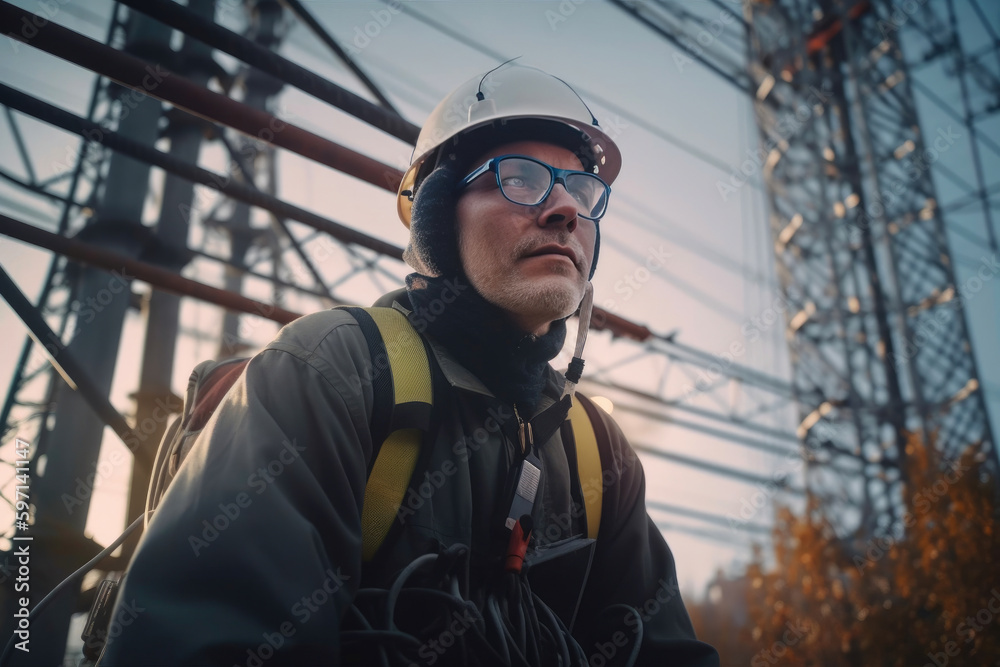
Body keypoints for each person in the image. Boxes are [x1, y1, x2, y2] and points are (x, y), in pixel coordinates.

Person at [99, 64, 720, 666]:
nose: (565, 210)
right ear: (438, 219)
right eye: (521, 179)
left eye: (582, 190)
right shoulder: (329, 371)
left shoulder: (598, 447)